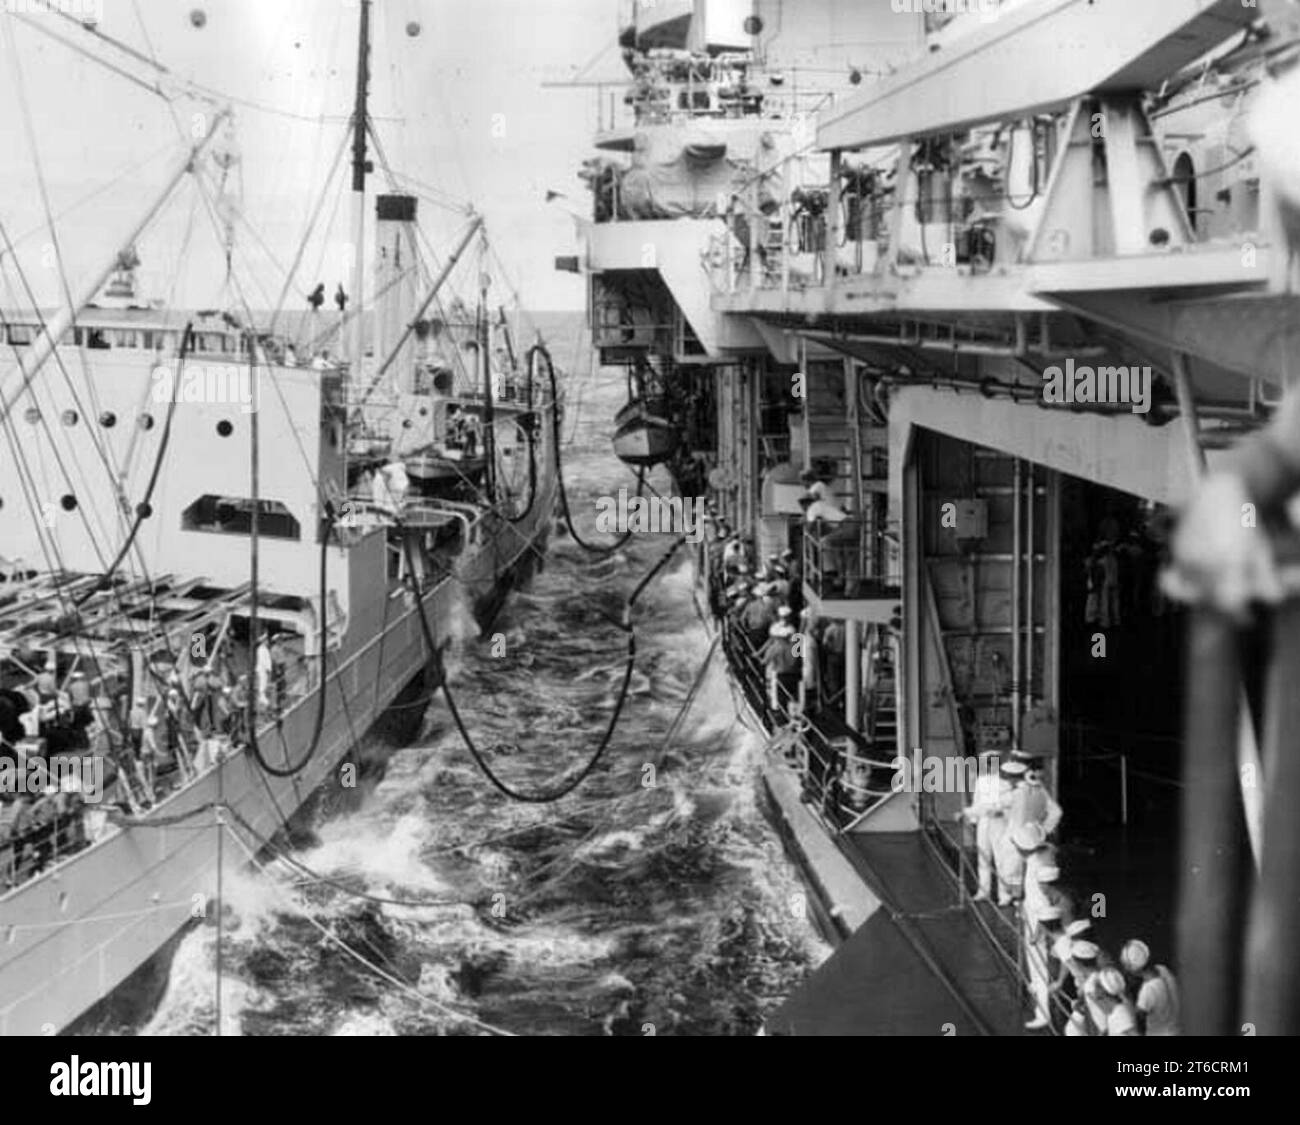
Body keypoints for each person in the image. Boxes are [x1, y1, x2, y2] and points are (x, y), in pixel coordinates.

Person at [960, 750, 1010, 902]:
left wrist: (1003, 816)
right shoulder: (981, 781)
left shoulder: (1005, 783)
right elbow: (977, 801)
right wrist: (974, 822)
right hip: (983, 822)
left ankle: (1004, 894)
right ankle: (984, 891)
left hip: (999, 823)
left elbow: (1009, 805)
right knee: (983, 858)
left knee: (1001, 859)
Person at [1121, 939, 1181, 1036]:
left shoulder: (1148, 991)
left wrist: (1126, 999)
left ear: (1133, 969)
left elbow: (1139, 1022)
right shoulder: (1163, 969)